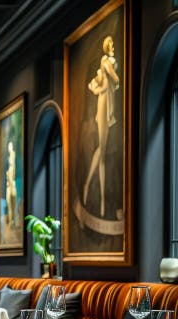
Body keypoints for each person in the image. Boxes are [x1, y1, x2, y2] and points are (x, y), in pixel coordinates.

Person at [81, 36, 119, 218]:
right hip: (103, 107)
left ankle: (89, 186)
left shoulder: (106, 63)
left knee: (101, 152)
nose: (113, 46)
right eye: (110, 44)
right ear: (105, 47)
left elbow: (99, 85)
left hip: (107, 106)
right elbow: (115, 78)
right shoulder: (105, 61)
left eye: (113, 43)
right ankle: (101, 199)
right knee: (102, 153)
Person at [5, 141, 18, 228]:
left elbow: (13, 169)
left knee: (13, 204)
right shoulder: (8, 158)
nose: (9, 148)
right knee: (9, 203)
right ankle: (11, 222)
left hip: (12, 183)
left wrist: (11, 181)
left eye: (11, 146)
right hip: (9, 184)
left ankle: (14, 221)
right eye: (8, 146)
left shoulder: (13, 155)